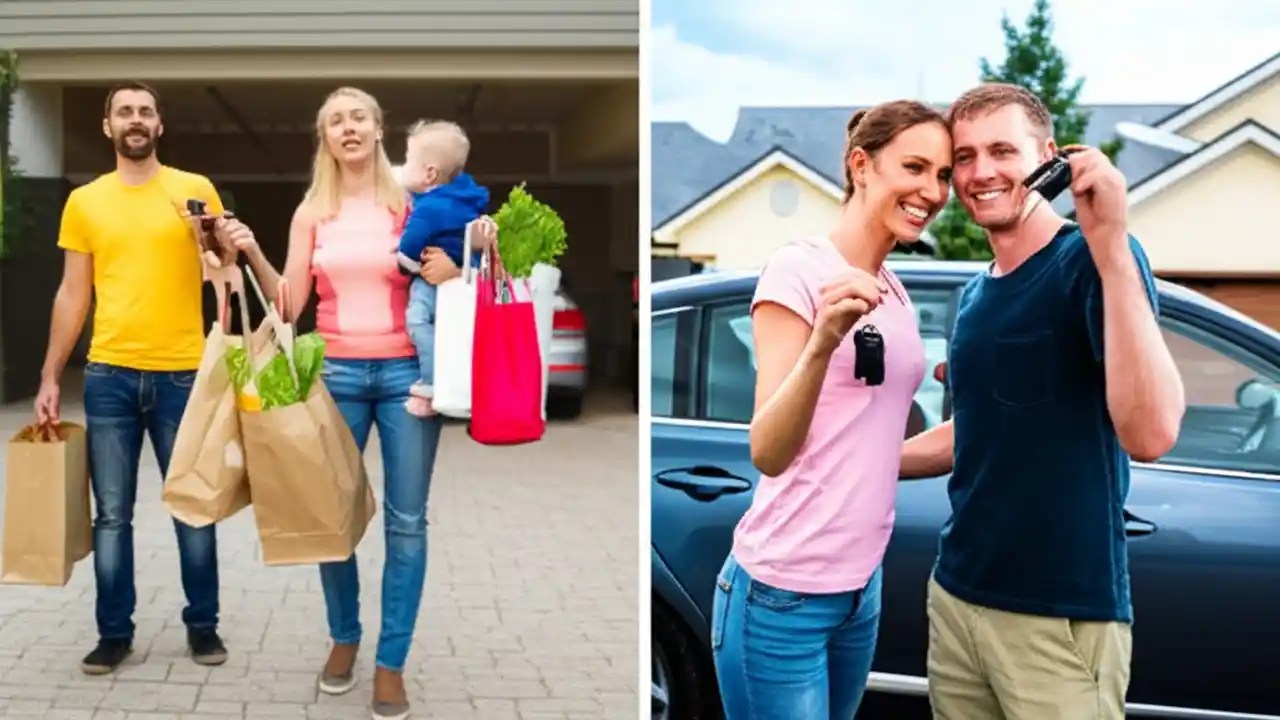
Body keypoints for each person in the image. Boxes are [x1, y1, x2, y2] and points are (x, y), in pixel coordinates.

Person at [900, 83, 1185, 720]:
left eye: (1002, 150)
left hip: (1059, 617)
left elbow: (1153, 434)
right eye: (965, 157)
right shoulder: (976, 295)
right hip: (957, 598)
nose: (981, 172)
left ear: (1049, 156)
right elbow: (975, 432)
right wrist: (859, 459)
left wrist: (1111, 243)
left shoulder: (1092, 260)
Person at [230, 86, 496, 720]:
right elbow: (290, 305)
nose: (347, 128)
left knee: (407, 524)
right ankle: (345, 638)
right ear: (325, 138)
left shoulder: (415, 201)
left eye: (358, 117)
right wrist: (250, 254)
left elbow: (475, 264)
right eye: (334, 122)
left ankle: (390, 664)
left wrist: (458, 269)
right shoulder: (310, 212)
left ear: (379, 130)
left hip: (410, 377)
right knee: (332, 518)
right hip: (337, 376)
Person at [711, 100, 953, 720]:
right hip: (781, 593)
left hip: (858, 590)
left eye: (944, 175)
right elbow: (768, 449)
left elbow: (870, 453)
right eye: (916, 167)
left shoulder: (894, 288)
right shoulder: (799, 271)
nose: (932, 190)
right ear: (861, 164)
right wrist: (823, 340)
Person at [34, 81, 254, 675]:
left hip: (183, 373)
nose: (135, 119)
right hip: (107, 374)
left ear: (160, 125)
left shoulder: (193, 190)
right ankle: (113, 634)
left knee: (193, 504)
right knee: (111, 514)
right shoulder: (85, 202)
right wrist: (53, 374)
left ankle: (203, 628)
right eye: (124, 111)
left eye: (145, 111)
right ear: (108, 127)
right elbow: (73, 292)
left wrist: (218, 247)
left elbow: (223, 272)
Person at [395, 119, 489, 417]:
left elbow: (409, 250)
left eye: (408, 160)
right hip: (460, 280)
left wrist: (405, 265)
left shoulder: (429, 208)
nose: (403, 166)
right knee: (453, 332)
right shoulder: (467, 200)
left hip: (431, 278)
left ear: (430, 173)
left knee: (419, 321)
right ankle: (452, 381)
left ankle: (431, 382)